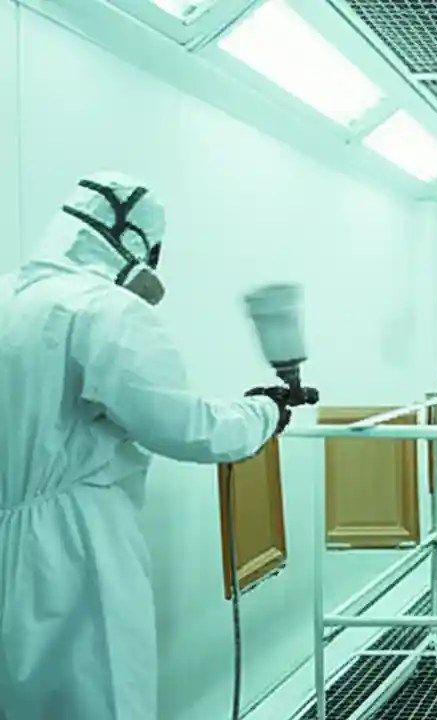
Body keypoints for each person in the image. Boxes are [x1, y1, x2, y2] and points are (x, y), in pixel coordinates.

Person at [0, 172, 295, 720]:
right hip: (74, 544)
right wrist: (265, 412)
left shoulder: (9, 294)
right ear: (134, 244)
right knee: (103, 694)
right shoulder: (105, 309)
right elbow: (185, 427)